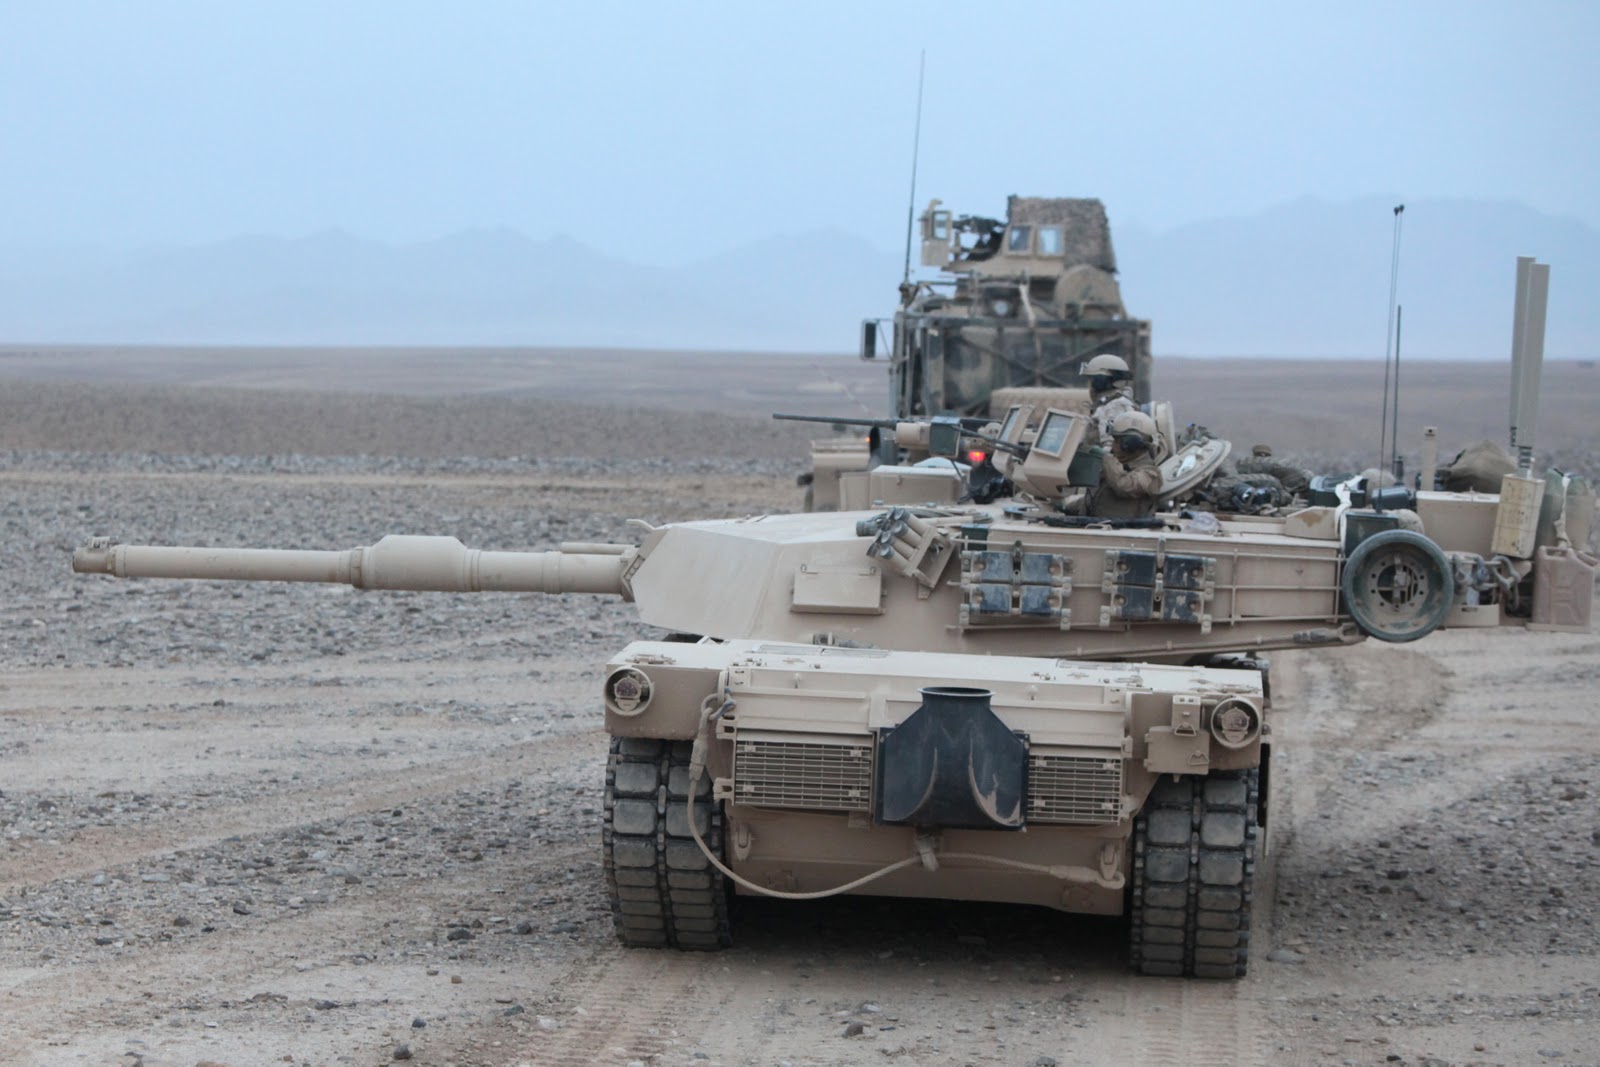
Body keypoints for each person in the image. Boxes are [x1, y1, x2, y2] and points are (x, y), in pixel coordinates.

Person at [1088, 409, 1162, 518]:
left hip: (1122, 532)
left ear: (1133, 444)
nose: (1113, 446)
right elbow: (1101, 499)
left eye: (1118, 441)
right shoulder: (1119, 466)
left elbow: (1123, 485)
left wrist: (1106, 458)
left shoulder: (1151, 475)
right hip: (1098, 527)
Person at [1082, 353, 1136, 446]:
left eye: (1092, 379)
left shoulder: (1114, 405)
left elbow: (1109, 448)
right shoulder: (1110, 403)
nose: (1090, 385)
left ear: (1101, 380)